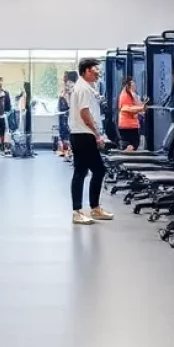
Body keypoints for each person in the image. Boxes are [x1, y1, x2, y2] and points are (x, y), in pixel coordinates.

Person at [69, 58, 112, 225]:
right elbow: (85, 113)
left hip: (82, 134)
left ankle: (91, 209)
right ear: (86, 71)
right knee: (95, 171)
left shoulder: (86, 87)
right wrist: (97, 134)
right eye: (95, 70)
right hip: (84, 135)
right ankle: (84, 210)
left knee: (84, 171)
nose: (98, 73)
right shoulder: (83, 89)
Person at [117, 75, 145, 151]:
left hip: (129, 125)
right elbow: (128, 108)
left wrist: (141, 108)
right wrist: (141, 108)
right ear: (127, 85)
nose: (134, 86)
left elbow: (137, 105)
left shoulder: (129, 94)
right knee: (133, 144)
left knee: (133, 144)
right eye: (132, 85)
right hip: (128, 125)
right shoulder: (126, 95)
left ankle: (128, 151)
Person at [57, 80, 72, 159]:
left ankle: (67, 153)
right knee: (64, 135)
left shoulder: (65, 97)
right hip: (63, 118)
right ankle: (65, 153)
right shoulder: (62, 97)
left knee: (66, 135)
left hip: (65, 118)